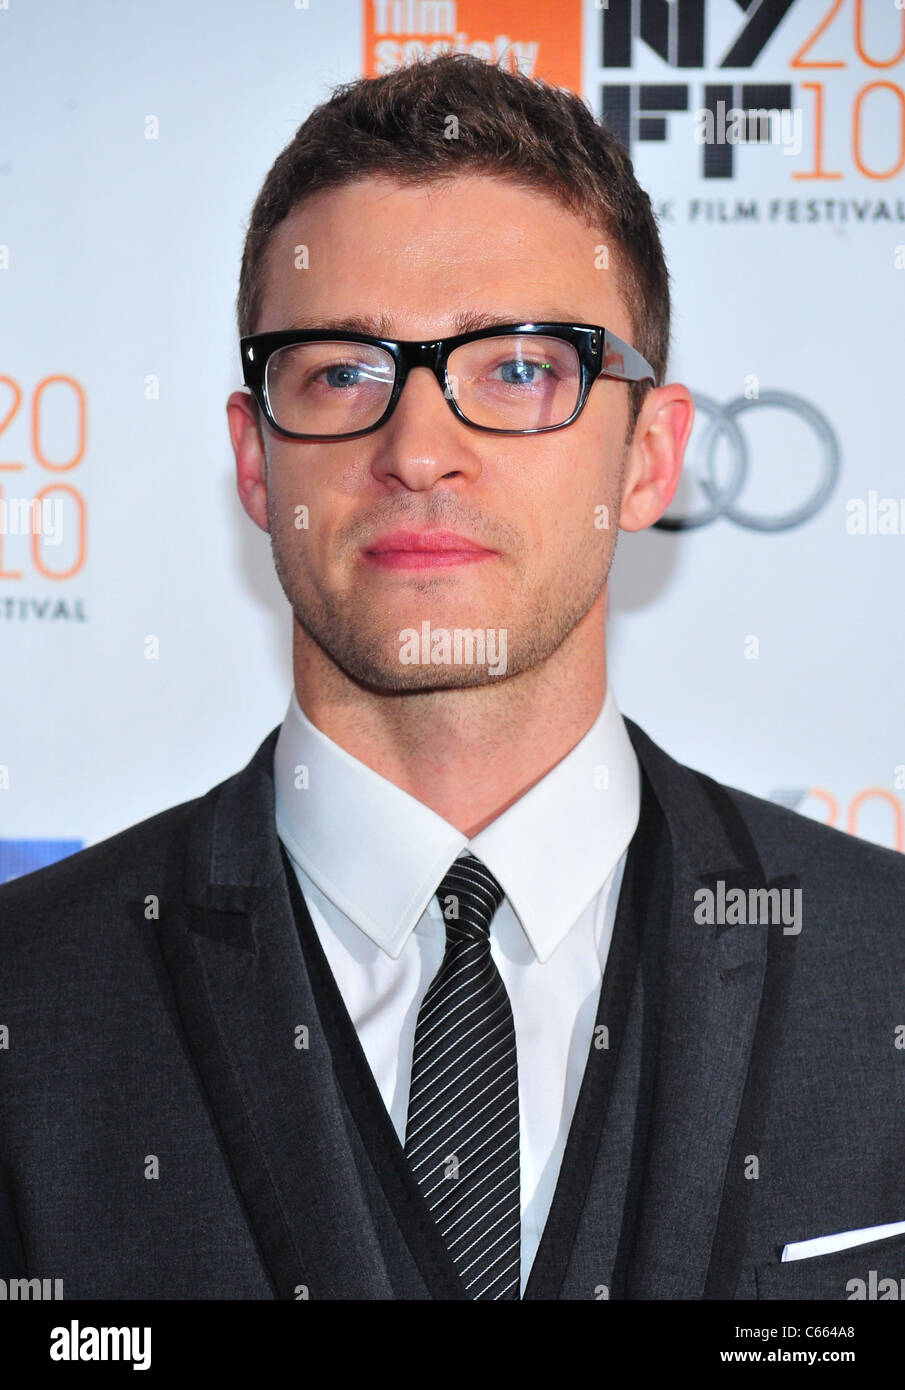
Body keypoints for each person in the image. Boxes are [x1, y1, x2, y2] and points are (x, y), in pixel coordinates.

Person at [2, 53, 904, 1303]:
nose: (417, 450)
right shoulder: (30, 998)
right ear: (255, 464)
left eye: (520, 368)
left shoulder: (884, 965)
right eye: (340, 373)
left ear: (649, 457)